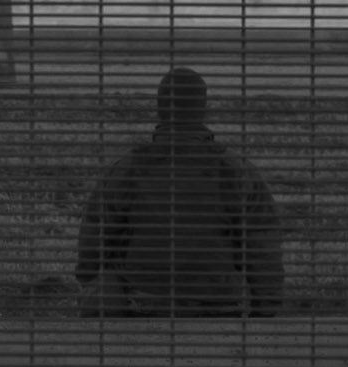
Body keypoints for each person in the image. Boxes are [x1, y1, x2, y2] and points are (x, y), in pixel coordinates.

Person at [77, 67, 283, 316]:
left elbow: (96, 233)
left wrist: (88, 277)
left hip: (144, 304)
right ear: (203, 109)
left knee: (103, 286)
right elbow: (262, 248)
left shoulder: (129, 168)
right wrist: (267, 311)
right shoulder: (236, 170)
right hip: (219, 306)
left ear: (160, 109)